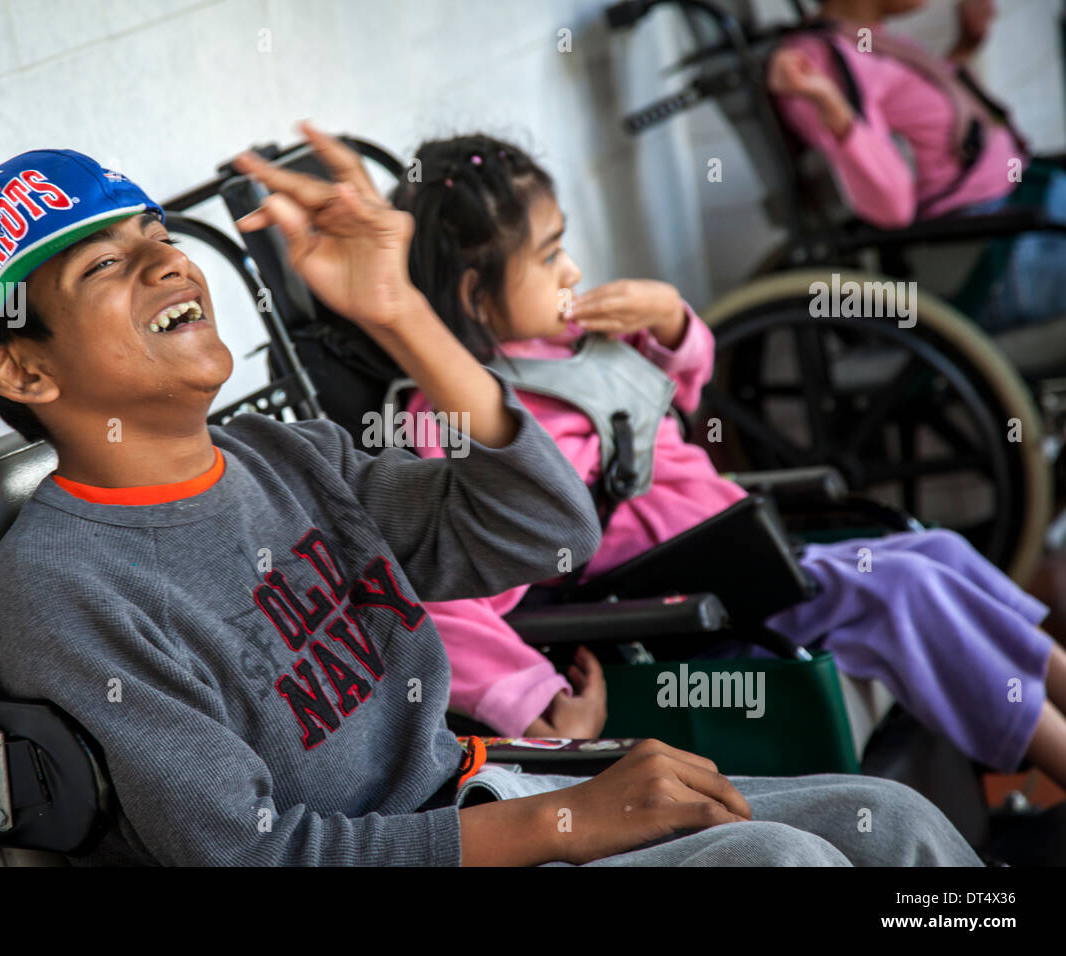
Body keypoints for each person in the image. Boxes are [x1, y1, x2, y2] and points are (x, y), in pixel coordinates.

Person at [0, 124, 982, 866]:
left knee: (883, 818)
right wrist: (566, 821)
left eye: (158, 239)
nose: (165, 265)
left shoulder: (287, 457)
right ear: (23, 373)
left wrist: (401, 318)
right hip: (458, 845)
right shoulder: (65, 592)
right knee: (776, 861)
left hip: (485, 796)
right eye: (107, 267)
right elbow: (253, 853)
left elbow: (542, 528)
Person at [394, 132, 1066, 792]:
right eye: (548, 257)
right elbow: (447, 590)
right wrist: (527, 692)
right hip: (676, 604)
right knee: (905, 590)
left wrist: (670, 324)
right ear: (474, 295)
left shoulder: (571, 338)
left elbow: (680, 390)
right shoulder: (453, 418)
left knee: (936, 552)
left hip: (740, 551)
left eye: (563, 244)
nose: (572, 270)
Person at [767, 0, 1066, 333]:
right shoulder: (817, 65)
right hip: (988, 252)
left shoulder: (860, 38)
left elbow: (924, 122)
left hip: (1025, 205)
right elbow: (891, 207)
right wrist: (830, 104)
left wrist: (966, 46)